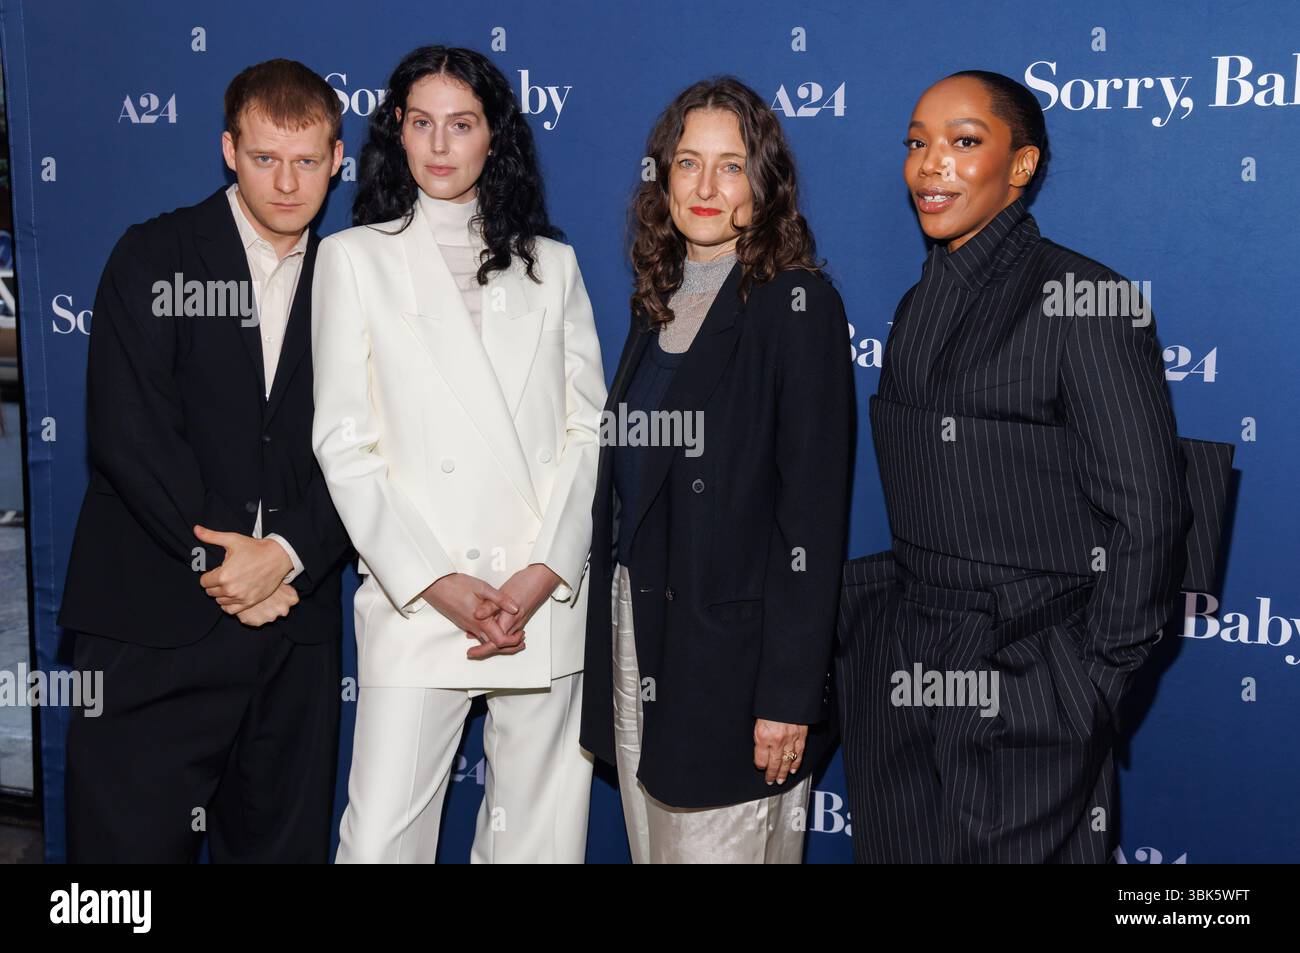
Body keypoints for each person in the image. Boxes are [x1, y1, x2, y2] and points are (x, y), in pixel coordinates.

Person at [838, 70, 1193, 863]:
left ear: (1022, 165)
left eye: (964, 142)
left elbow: (1151, 514)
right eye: (918, 143)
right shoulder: (917, 302)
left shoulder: (1086, 299)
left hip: (1027, 672)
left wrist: (1089, 682)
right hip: (905, 662)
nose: (932, 165)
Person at [311, 46, 605, 863]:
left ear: (494, 138)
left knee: (538, 844)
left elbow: (589, 430)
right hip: (416, 596)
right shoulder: (353, 259)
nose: (440, 145)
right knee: (378, 843)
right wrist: (436, 581)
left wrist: (544, 570)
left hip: (541, 596)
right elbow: (343, 443)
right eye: (421, 122)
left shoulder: (555, 265)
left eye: (462, 124)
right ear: (396, 134)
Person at [60, 59, 351, 862]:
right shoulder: (154, 255)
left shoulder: (356, 279)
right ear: (228, 150)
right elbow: (128, 433)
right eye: (264, 158)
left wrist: (286, 556)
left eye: (305, 160)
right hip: (153, 624)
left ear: (336, 159)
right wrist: (231, 566)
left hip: (294, 635)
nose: (286, 183)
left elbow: (374, 450)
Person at [578, 77, 854, 864]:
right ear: (659, 178)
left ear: (764, 183)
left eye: (731, 166)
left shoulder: (797, 305)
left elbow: (813, 514)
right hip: (641, 631)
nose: (705, 187)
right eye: (687, 163)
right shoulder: (656, 299)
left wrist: (788, 697)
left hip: (736, 666)